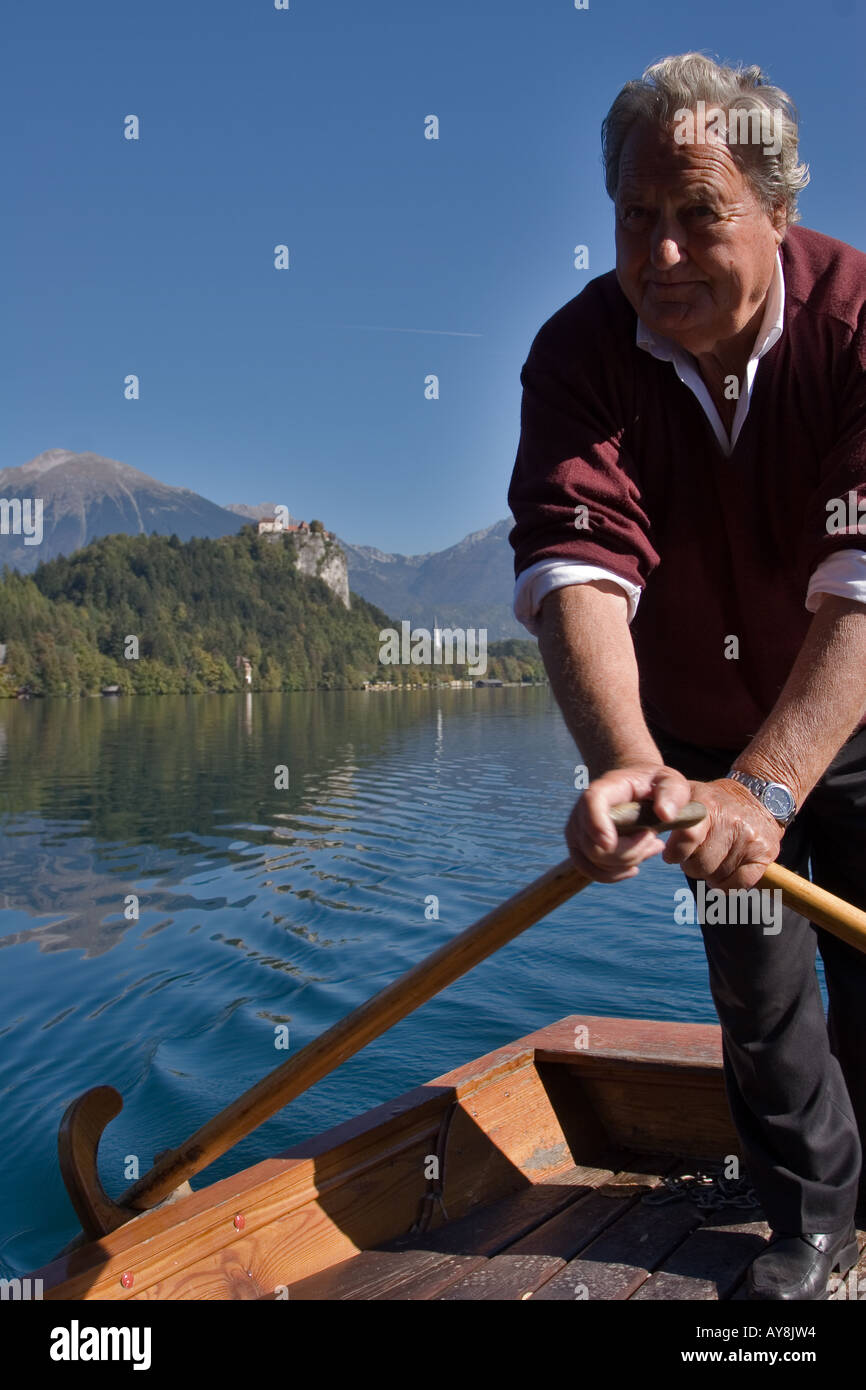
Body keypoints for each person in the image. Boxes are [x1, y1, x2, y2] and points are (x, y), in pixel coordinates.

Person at [508, 52, 866, 1301]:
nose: (658, 256)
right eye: (633, 219)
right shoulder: (578, 353)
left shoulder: (860, 322)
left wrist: (769, 792)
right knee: (755, 989)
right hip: (701, 738)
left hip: (857, 719)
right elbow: (575, 563)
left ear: (777, 211)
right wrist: (627, 761)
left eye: (698, 214)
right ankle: (810, 1228)